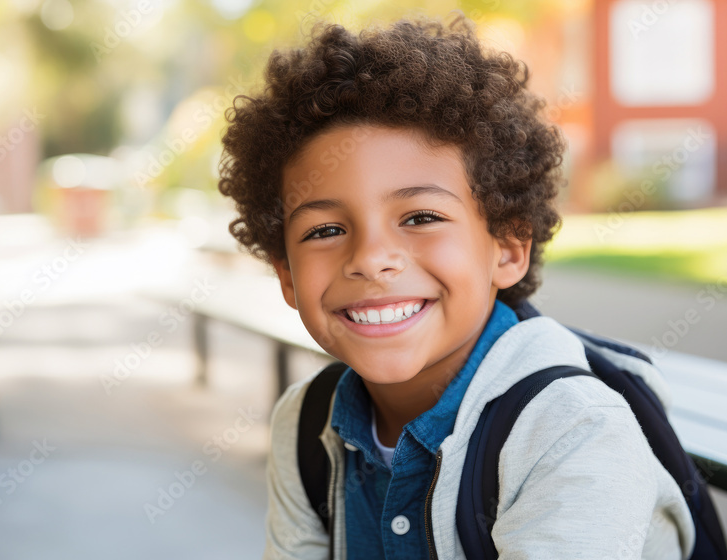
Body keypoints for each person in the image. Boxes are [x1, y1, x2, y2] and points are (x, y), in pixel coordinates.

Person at [215, 12, 696, 560]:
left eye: (421, 217)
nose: (370, 259)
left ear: (507, 248)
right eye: (325, 230)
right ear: (286, 275)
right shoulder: (305, 423)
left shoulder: (571, 431)